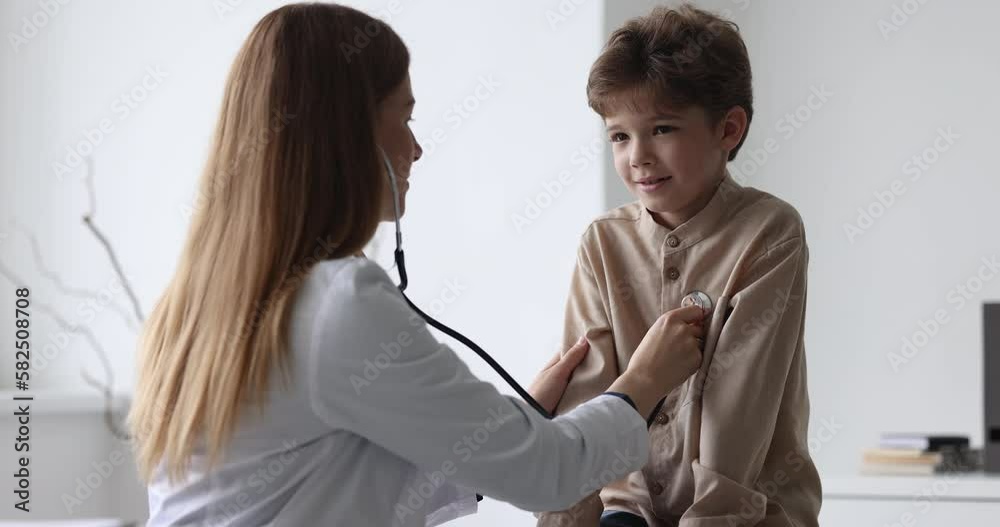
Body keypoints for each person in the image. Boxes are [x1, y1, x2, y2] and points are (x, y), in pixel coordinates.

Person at [125, 4, 708, 526]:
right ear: (347, 136)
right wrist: (641, 385)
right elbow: (548, 474)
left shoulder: (195, 302)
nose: (416, 148)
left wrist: (515, 422)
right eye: (403, 119)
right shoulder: (338, 304)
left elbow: (332, 482)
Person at [536, 5, 822, 527]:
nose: (637, 156)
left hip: (741, 515)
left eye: (661, 128)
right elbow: (588, 395)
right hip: (624, 514)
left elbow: (740, 407)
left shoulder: (769, 233)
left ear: (728, 129)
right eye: (619, 136)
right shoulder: (602, 243)